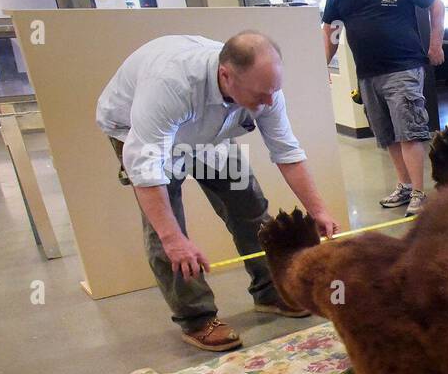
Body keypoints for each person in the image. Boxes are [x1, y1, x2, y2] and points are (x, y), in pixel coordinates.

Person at [96, 31, 340, 352]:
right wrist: (174, 240)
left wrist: (319, 210)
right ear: (226, 76)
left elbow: (286, 152)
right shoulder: (171, 84)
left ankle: (270, 291)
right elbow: (146, 169)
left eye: (273, 91)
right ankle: (196, 319)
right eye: (260, 94)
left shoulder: (264, 89)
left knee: (250, 205)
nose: (269, 102)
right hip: (140, 134)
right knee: (168, 232)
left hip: (208, 133)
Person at [322, 0, 446, 216]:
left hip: (403, 67)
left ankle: (419, 191)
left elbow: (436, 5)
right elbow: (333, 30)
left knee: (409, 132)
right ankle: (403, 185)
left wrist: (435, 45)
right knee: (387, 134)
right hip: (368, 73)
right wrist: (322, 66)